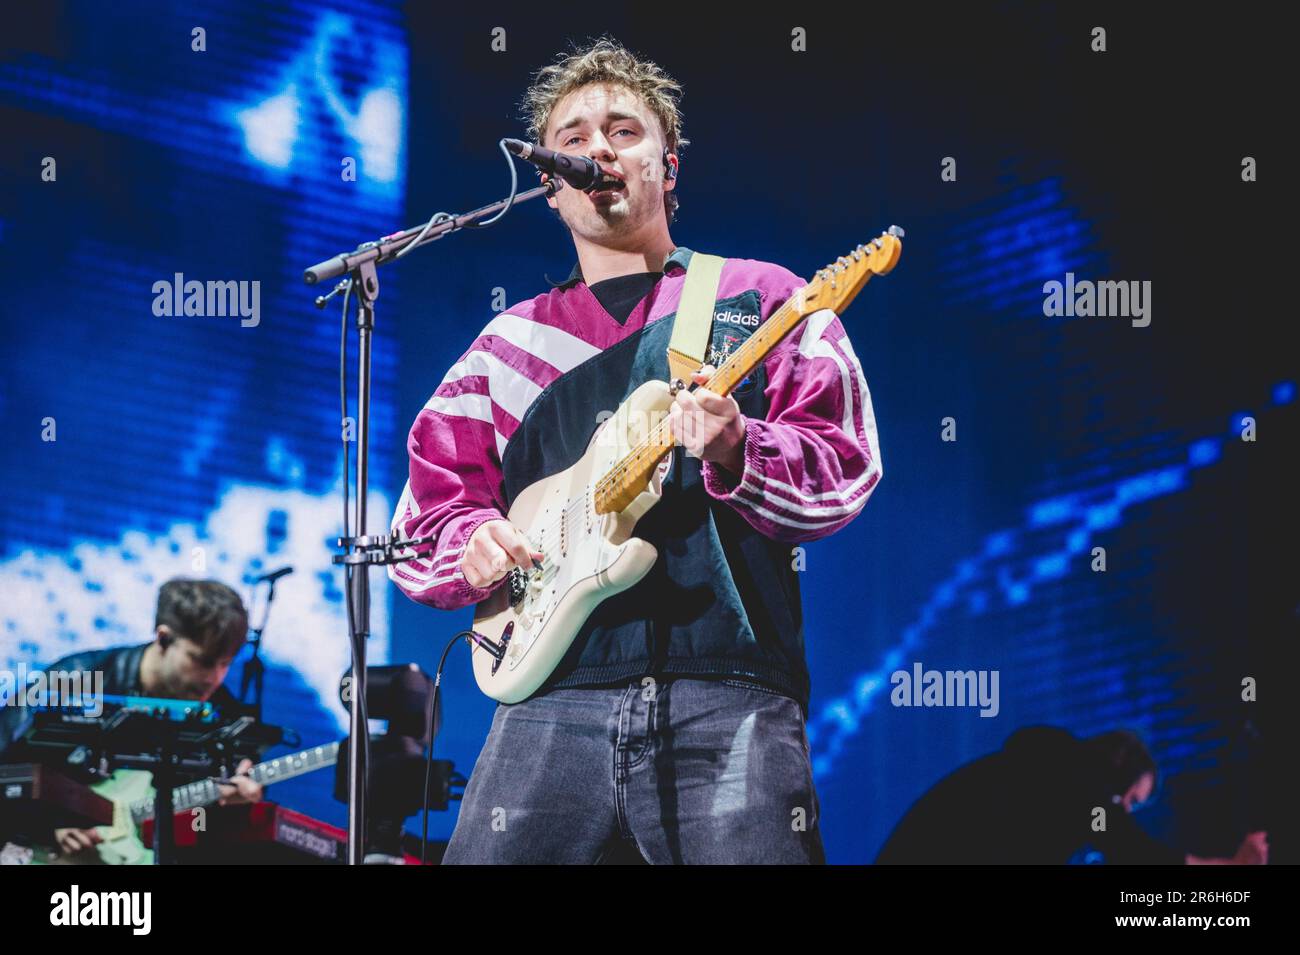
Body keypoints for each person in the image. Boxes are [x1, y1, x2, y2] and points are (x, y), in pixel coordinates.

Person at [388, 37, 883, 863]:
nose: (597, 149)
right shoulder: (505, 347)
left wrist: (741, 449)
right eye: (573, 138)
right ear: (548, 182)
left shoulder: (761, 298)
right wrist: (471, 545)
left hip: (728, 693)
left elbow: (845, 460)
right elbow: (425, 514)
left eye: (623, 131)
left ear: (668, 165)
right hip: (546, 698)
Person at [0, 578, 264, 858]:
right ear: (163, 638)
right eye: (202, 661)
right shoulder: (74, 680)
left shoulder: (224, 715)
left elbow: (204, 823)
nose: (214, 678)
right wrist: (46, 828)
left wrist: (241, 800)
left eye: (226, 664)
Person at [875, 725, 1269, 865]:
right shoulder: (1072, 778)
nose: (1125, 813)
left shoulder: (1040, 770)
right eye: (1129, 800)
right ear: (1117, 772)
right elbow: (1136, 853)